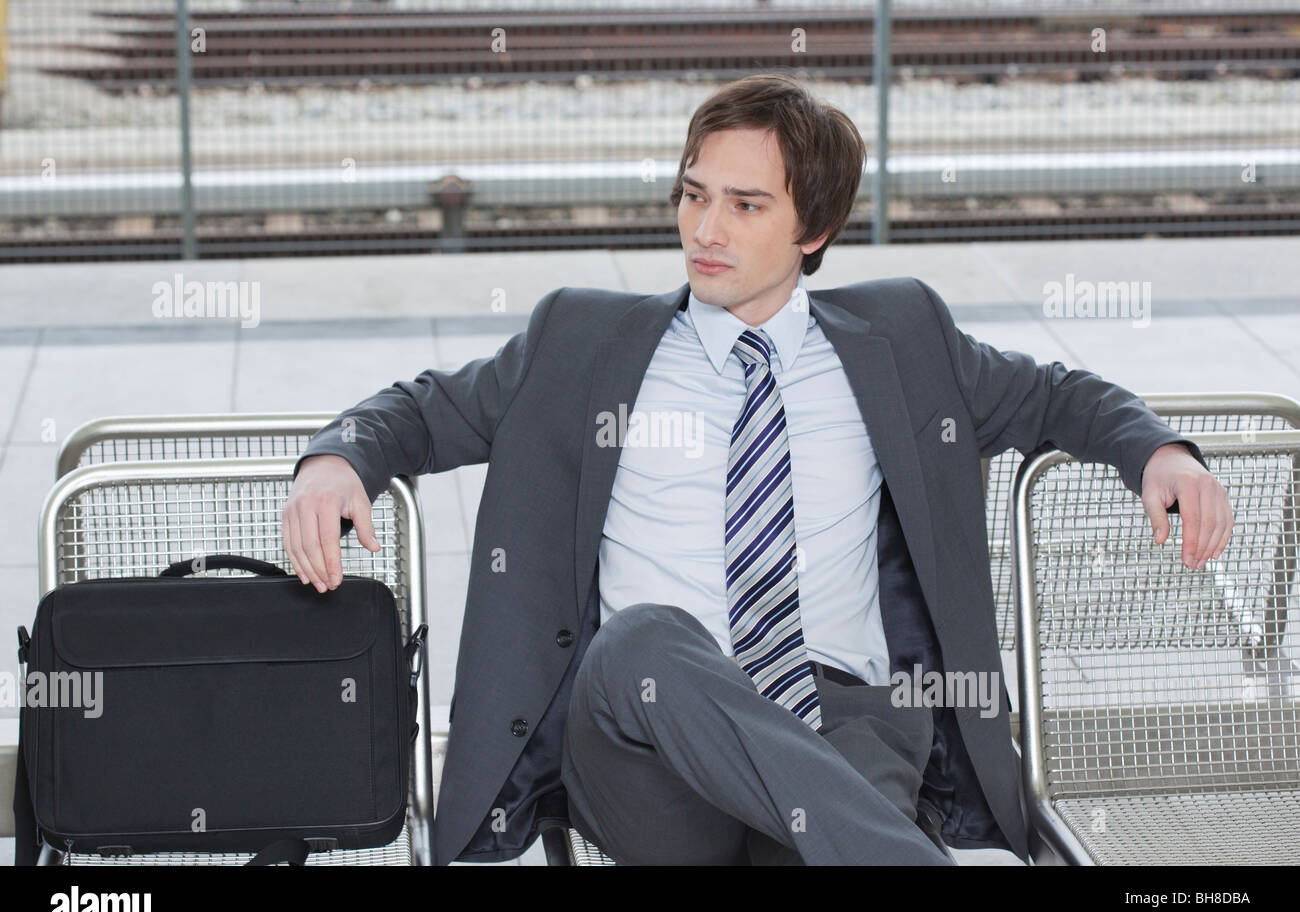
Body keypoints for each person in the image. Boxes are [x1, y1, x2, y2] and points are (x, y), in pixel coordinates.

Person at [282, 74, 1234, 865]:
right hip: (649, 747)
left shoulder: (900, 339)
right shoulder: (584, 341)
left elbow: (1056, 395)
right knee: (645, 642)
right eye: (694, 194)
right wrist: (335, 458)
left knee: (832, 811)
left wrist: (1157, 450)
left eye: (745, 205)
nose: (706, 228)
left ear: (813, 230)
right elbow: (422, 410)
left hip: (843, 721)